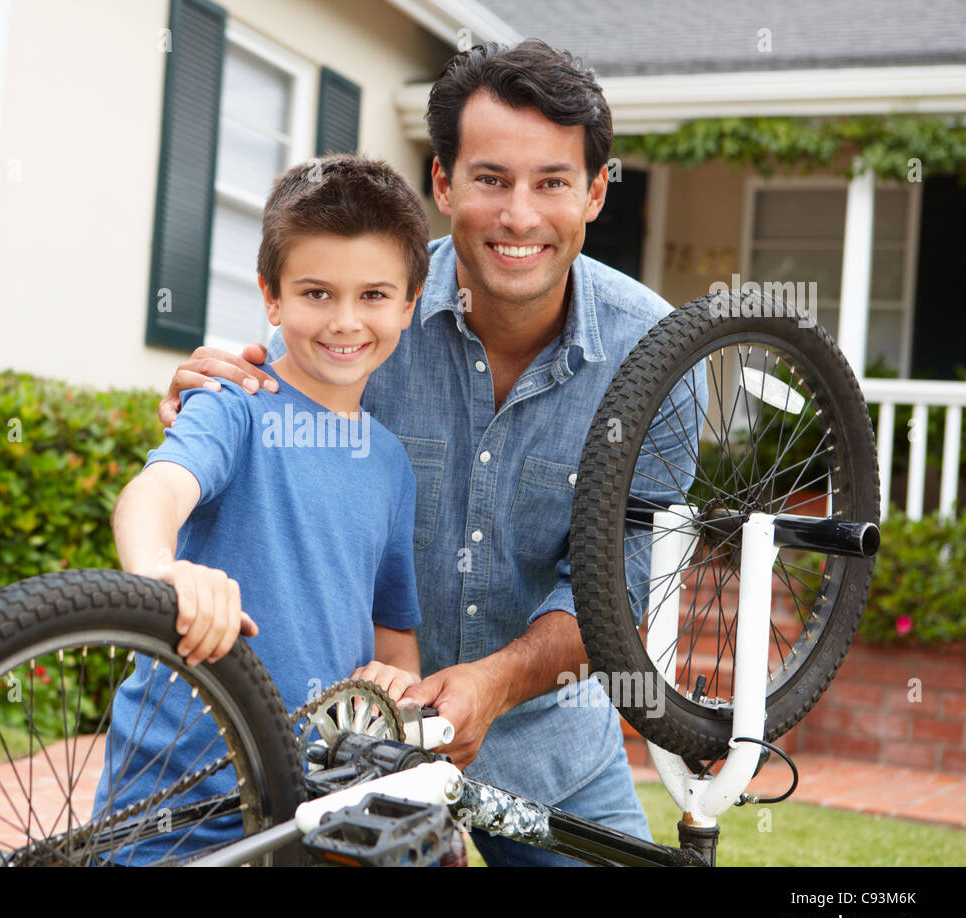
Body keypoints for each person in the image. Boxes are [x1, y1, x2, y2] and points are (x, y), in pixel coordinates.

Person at [157, 39, 702, 866]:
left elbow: (619, 588)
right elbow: (253, 437)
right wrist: (207, 397)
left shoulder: (661, 359)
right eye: (490, 179)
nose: (519, 215)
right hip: (354, 742)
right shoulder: (368, 317)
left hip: (549, 742)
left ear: (595, 191)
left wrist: (495, 683)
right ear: (443, 183)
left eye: (552, 182)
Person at [92, 154, 430, 863]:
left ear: (409, 302)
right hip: (173, 803)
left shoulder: (392, 466)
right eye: (315, 293)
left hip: (301, 803)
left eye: (373, 295)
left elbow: (393, 644)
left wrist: (396, 683)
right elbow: (153, 492)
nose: (344, 321)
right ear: (271, 299)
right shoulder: (234, 404)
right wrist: (164, 571)